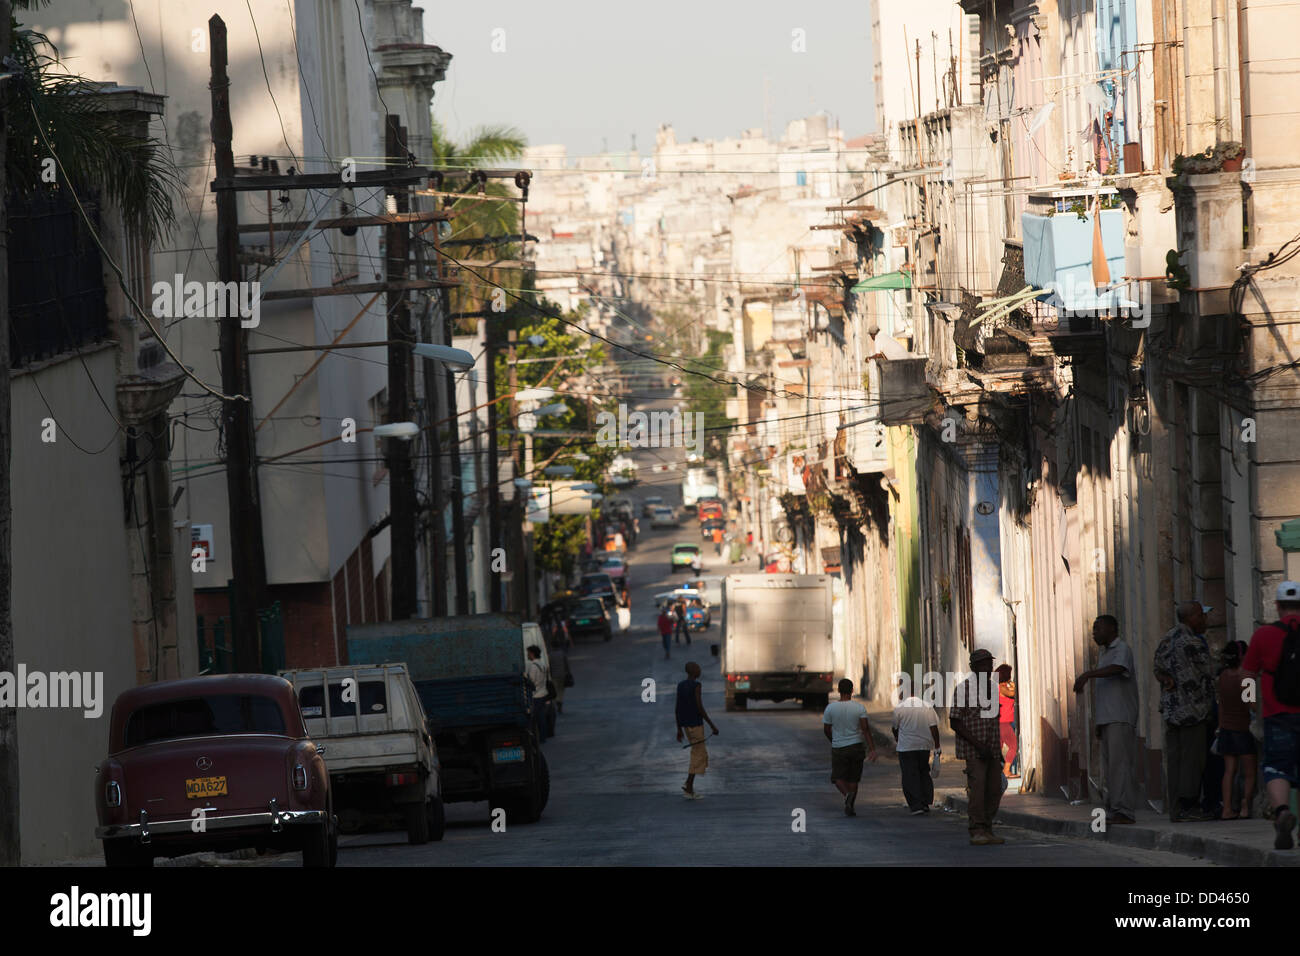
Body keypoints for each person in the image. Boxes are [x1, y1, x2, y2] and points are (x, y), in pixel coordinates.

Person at [1242, 581, 1300, 849]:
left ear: (1276, 605)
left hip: (1277, 715)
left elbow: (1247, 675)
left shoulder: (1263, 635)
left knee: (1277, 766)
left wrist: (1251, 704)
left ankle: (1282, 813)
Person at [1153, 602, 1217, 822]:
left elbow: (1157, 669)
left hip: (1171, 710)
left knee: (1175, 761)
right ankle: (1189, 807)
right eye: (1201, 616)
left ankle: (1175, 809)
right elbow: (1210, 670)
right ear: (1191, 617)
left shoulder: (1167, 638)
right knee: (1192, 760)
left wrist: (1166, 679)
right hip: (1192, 711)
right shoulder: (1192, 642)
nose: (1205, 620)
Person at [1074, 614, 1140, 824]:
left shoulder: (1121, 649)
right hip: (1108, 719)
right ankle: (1113, 807)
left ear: (1112, 629)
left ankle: (1124, 811)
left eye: (1098, 628)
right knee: (1111, 767)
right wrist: (1099, 722)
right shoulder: (1104, 653)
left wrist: (1088, 675)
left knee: (1120, 766)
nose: (1094, 633)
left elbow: (1119, 668)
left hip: (1120, 717)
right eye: (1093, 629)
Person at [951, 648, 1005, 845]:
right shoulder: (963, 689)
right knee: (978, 790)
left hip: (991, 749)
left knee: (994, 789)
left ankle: (988, 827)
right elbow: (955, 722)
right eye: (982, 664)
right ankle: (977, 829)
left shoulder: (992, 688)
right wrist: (978, 745)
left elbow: (993, 721)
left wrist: (996, 751)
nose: (987, 668)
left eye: (989, 664)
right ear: (973, 667)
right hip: (974, 751)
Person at [823, 678, 878, 816]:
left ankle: (847, 796)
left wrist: (833, 740)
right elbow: (865, 729)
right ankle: (850, 805)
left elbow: (826, 729)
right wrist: (872, 749)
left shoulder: (830, 708)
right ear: (852, 691)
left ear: (838, 691)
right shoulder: (859, 708)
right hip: (856, 746)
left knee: (837, 777)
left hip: (839, 747)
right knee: (854, 778)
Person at [1215, 640, 1257, 820]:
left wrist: (1220, 725)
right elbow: (1252, 705)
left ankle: (1226, 809)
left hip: (1226, 728)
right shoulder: (1245, 679)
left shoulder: (1222, 677)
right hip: (1243, 729)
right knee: (1249, 772)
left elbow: (1221, 705)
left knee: (1229, 771)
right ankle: (1245, 806)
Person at [675, 662, 718, 799]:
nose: (700, 670)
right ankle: (689, 787)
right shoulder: (696, 686)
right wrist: (712, 725)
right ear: (693, 671)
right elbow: (700, 707)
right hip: (696, 724)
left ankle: (689, 784)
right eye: (698, 668)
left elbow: (677, 708)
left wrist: (679, 728)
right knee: (698, 754)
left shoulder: (681, 685)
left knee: (698, 753)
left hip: (686, 725)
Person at [892, 693, 939, 814]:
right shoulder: (927, 706)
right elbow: (934, 727)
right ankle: (925, 802)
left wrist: (897, 738)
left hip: (906, 747)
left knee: (909, 775)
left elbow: (895, 727)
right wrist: (937, 746)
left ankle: (916, 804)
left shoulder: (899, 708)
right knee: (923, 772)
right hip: (924, 746)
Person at [525, 645, 551, 744]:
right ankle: (543, 736)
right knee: (541, 717)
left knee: (534, 718)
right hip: (543, 693)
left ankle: (536, 737)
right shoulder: (542, 664)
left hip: (535, 696)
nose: (527, 655)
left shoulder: (533, 666)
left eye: (528, 653)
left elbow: (531, 681)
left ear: (532, 654)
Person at [994, 664, 1017, 777]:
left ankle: (996, 771)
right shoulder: (1002, 687)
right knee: (1013, 746)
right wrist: (1013, 684)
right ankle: (1006, 770)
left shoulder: (999, 687)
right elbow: (1012, 693)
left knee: (998, 748)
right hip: (1004, 723)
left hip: (1000, 722)